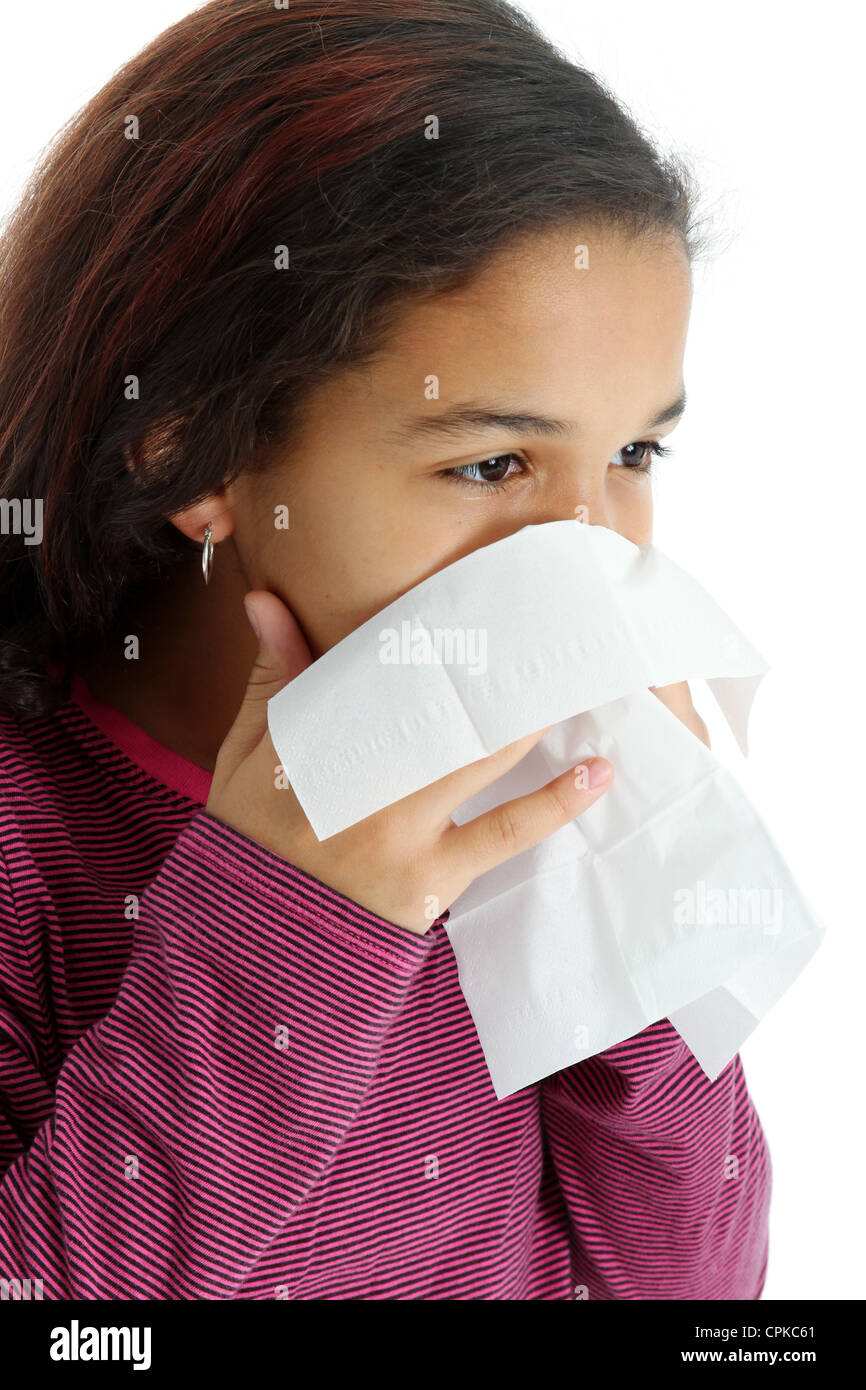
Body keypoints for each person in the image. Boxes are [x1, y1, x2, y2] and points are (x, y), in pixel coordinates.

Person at [0, 0, 769, 1298]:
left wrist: (640, 934)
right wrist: (290, 919)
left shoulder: (534, 799)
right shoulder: (29, 845)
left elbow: (696, 1293)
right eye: (489, 462)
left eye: (632, 454)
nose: (586, 561)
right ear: (188, 448)